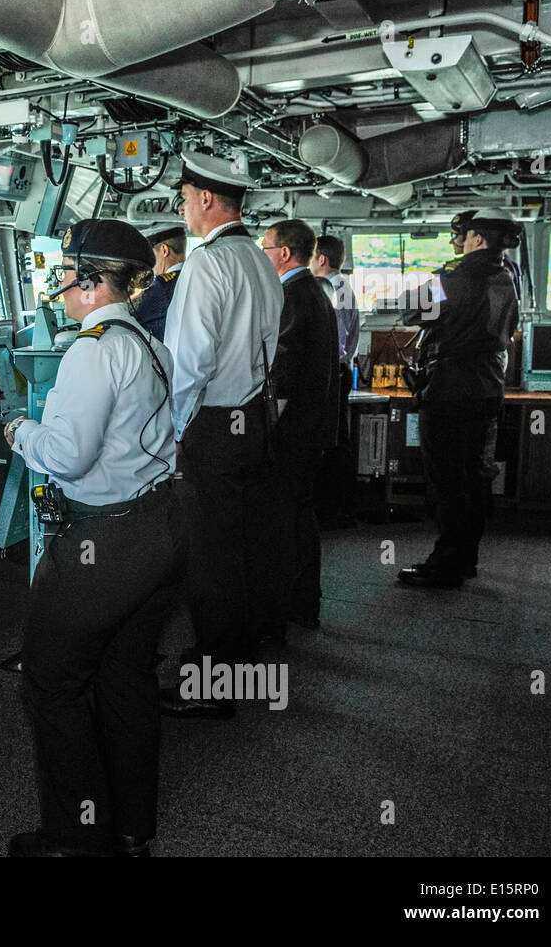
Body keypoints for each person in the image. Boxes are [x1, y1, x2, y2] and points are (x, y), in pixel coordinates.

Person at [3, 218, 183, 857]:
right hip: (157, 533)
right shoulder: (152, 346)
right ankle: (131, 829)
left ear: (86, 279)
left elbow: (69, 456)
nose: (57, 283)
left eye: (63, 270)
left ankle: (75, 839)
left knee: (51, 682)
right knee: (125, 681)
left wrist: (19, 432)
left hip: (101, 545)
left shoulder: (92, 348)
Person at [159, 152, 283, 720]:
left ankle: (212, 687)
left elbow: (189, 364)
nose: (181, 208)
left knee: (210, 558)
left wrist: (172, 432)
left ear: (207, 199)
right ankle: (231, 657)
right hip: (254, 419)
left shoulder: (206, 263)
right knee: (243, 546)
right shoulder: (259, 260)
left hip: (213, 423)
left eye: (184, 198)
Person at [397, 208, 520, 587]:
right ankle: (465, 558)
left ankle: (445, 565)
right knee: (472, 477)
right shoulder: (507, 275)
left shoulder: (455, 276)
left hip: (449, 391)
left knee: (447, 481)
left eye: (463, 236)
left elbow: (410, 310)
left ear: (478, 239)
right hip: (486, 390)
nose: (459, 242)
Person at [262, 220, 339, 635]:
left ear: (285, 253)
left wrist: (265, 426)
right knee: (300, 516)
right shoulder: (316, 292)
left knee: (285, 521)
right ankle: (303, 601)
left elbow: (284, 372)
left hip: (293, 432)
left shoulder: (292, 296)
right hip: (312, 430)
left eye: (266, 246)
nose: (262, 253)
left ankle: (289, 605)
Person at [310, 234, 359, 528]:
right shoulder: (342, 287)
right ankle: (336, 507)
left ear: (322, 260)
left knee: (333, 441)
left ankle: (333, 510)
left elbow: (336, 342)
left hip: (334, 371)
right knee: (337, 439)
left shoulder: (335, 290)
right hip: (340, 371)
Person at [132, 223, 186, 341]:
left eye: (149, 255)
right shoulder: (194, 277)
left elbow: (130, 316)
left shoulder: (162, 286)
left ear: (164, 250)